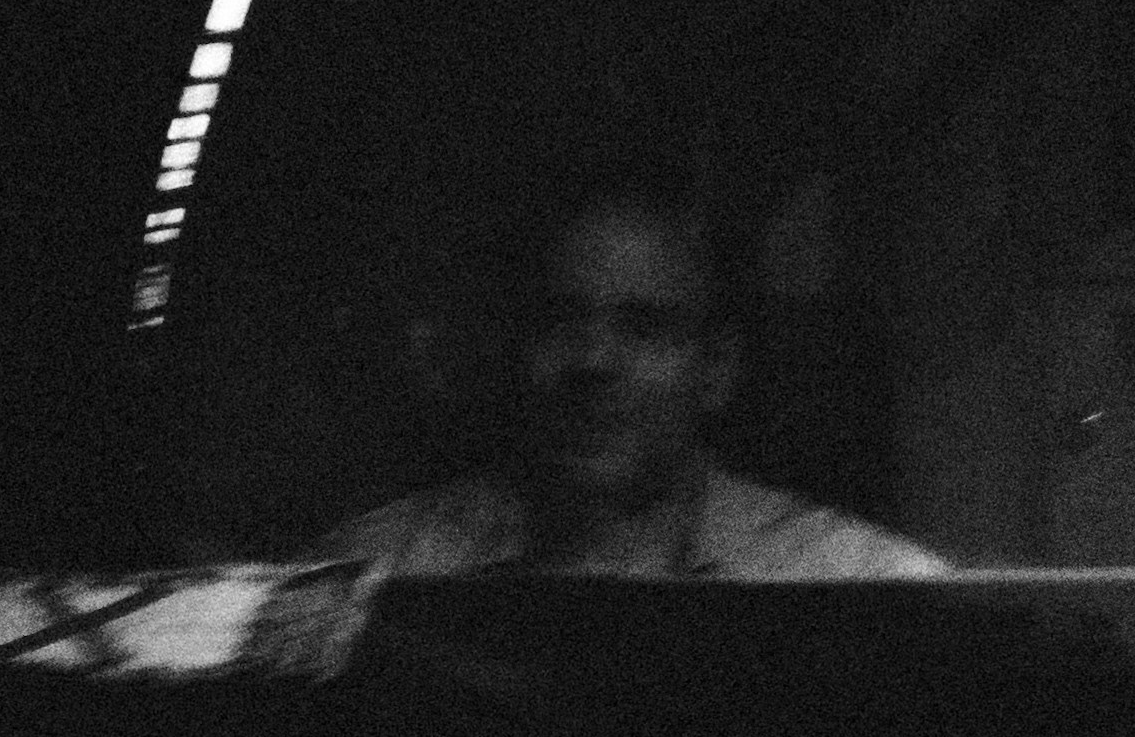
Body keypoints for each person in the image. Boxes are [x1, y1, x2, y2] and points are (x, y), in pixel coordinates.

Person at [330, 180, 940, 581]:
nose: (593, 361)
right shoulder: (380, 575)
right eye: (561, 320)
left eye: (644, 329)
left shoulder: (849, 582)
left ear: (716, 370)